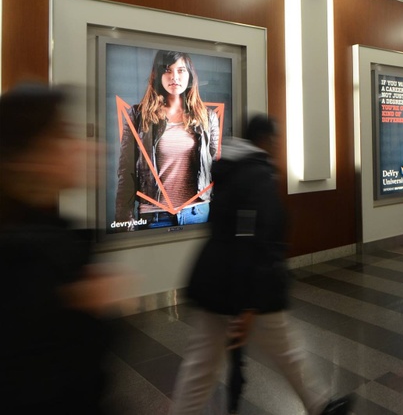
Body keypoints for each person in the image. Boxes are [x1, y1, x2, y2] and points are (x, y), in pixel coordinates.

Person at [169, 115, 351, 415]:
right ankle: (320, 405)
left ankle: (319, 404)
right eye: (275, 139)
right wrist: (248, 304)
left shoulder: (232, 170)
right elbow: (254, 240)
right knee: (285, 349)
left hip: (216, 282)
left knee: (201, 366)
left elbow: (231, 233)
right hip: (250, 286)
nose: (278, 145)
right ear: (265, 140)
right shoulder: (257, 177)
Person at [0, 84, 129, 413]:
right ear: (27, 156)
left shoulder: (51, 238)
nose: (82, 147)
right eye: (63, 135)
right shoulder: (26, 264)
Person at [115, 50, 220, 230]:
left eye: (181, 70)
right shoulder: (138, 116)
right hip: (154, 214)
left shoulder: (207, 117)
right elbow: (126, 171)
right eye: (167, 70)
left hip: (197, 213)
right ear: (157, 74)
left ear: (190, 75)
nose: (174, 77)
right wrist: (123, 220)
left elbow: (215, 169)